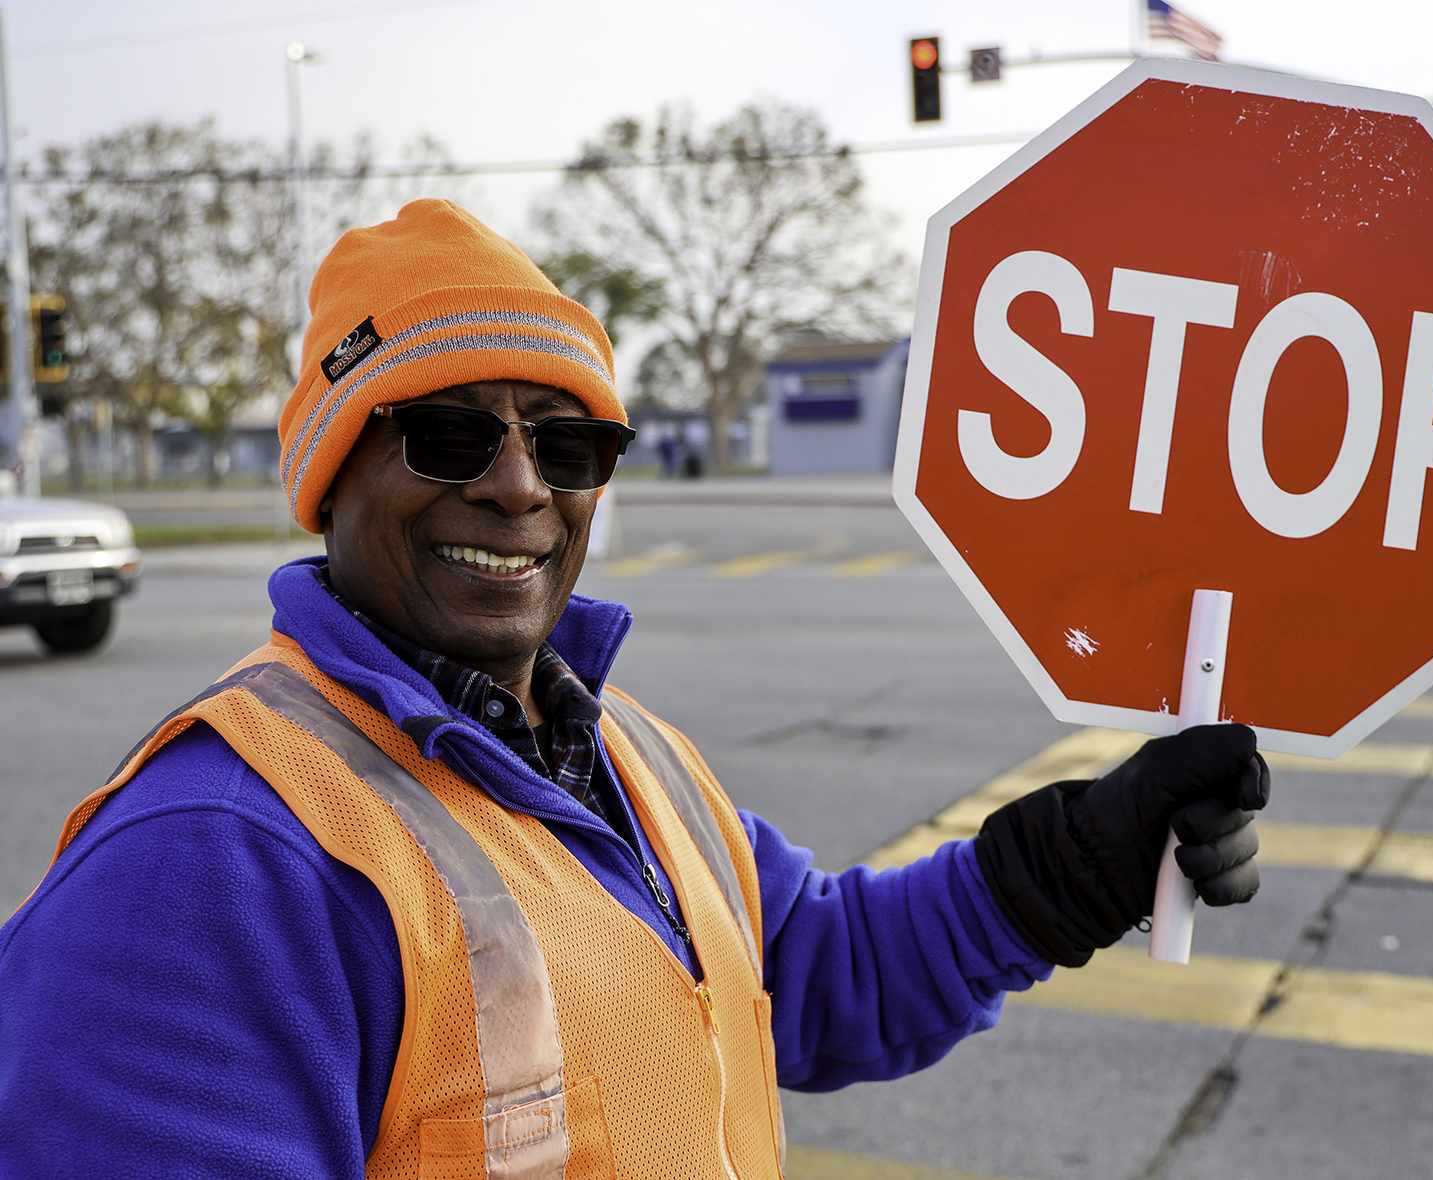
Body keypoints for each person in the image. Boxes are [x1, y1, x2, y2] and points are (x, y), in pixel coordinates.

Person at [0, 200, 1268, 1178]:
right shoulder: (208, 864)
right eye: (447, 433)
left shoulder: (625, 752)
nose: (516, 486)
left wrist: (1072, 869)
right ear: (331, 478)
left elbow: (813, 975)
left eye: (568, 443)